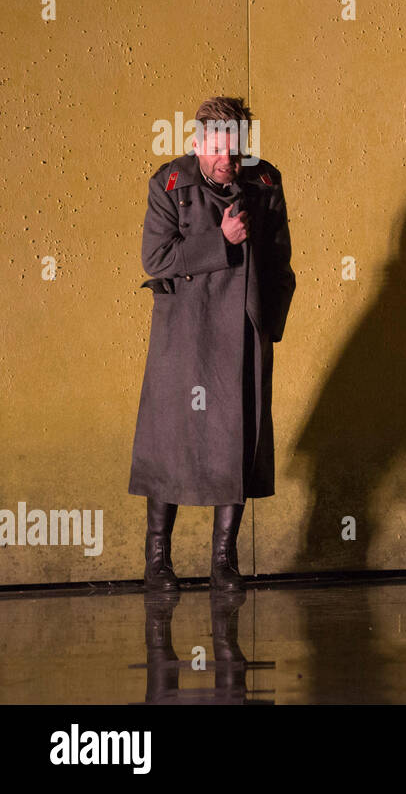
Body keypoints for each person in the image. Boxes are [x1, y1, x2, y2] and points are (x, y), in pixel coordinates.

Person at [129, 96, 295, 591]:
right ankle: (157, 559)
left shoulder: (265, 183)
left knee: (236, 438)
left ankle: (224, 558)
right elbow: (155, 258)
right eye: (220, 152)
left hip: (241, 332)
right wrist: (220, 239)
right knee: (169, 441)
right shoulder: (169, 183)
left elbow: (280, 262)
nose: (230, 163)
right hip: (183, 332)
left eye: (237, 152)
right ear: (198, 143)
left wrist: (268, 326)